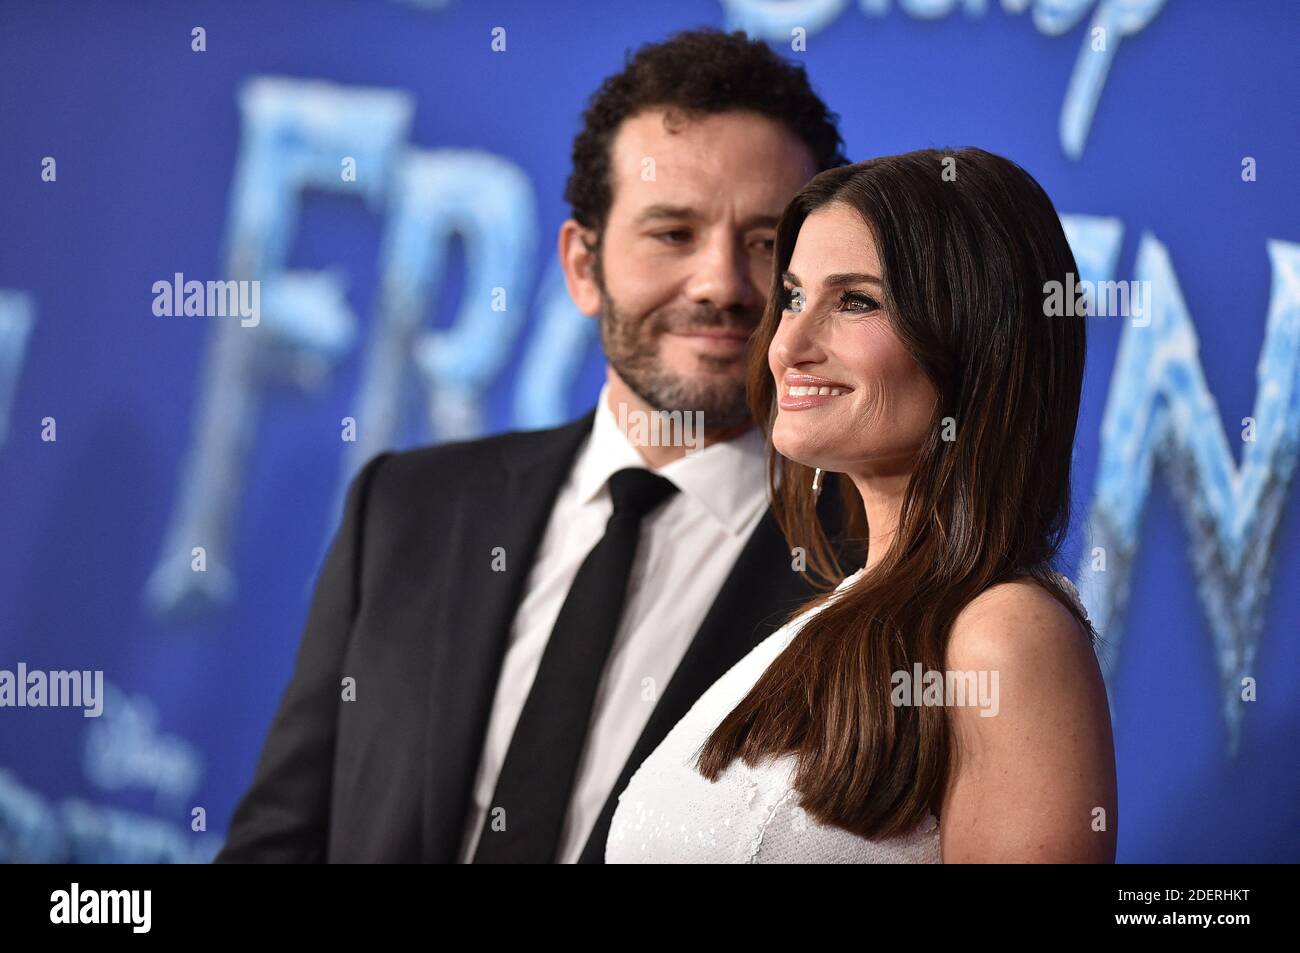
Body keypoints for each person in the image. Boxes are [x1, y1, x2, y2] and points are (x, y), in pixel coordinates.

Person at [215, 28, 849, 864]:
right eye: (672, 232)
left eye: (767, 246)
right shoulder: (408, 508)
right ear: (582, 265)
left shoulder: (865, 570)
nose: (721, 284)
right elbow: (279, 841)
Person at [606, 148, 1119, 863]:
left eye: (856, 301)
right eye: (791, 296)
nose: (789, 344)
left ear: (978, 342)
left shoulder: (1006, 633)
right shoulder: (833, 614)